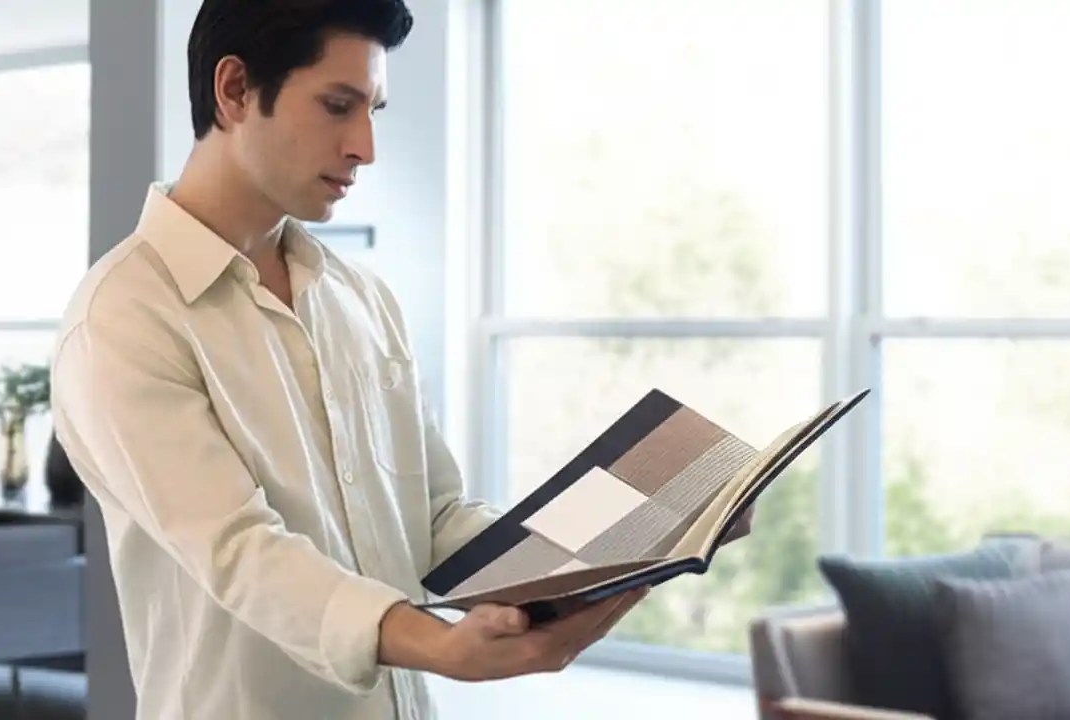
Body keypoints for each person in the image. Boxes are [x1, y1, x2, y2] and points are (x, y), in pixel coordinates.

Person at [49, 1, 655, 718]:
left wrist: (617, 547)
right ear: (235, 90)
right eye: (338, 106)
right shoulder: (122, 318)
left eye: (373, 110)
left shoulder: (360, 299)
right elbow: (240, 552)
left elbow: (429, 517)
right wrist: (439, 646)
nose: (365, 146)